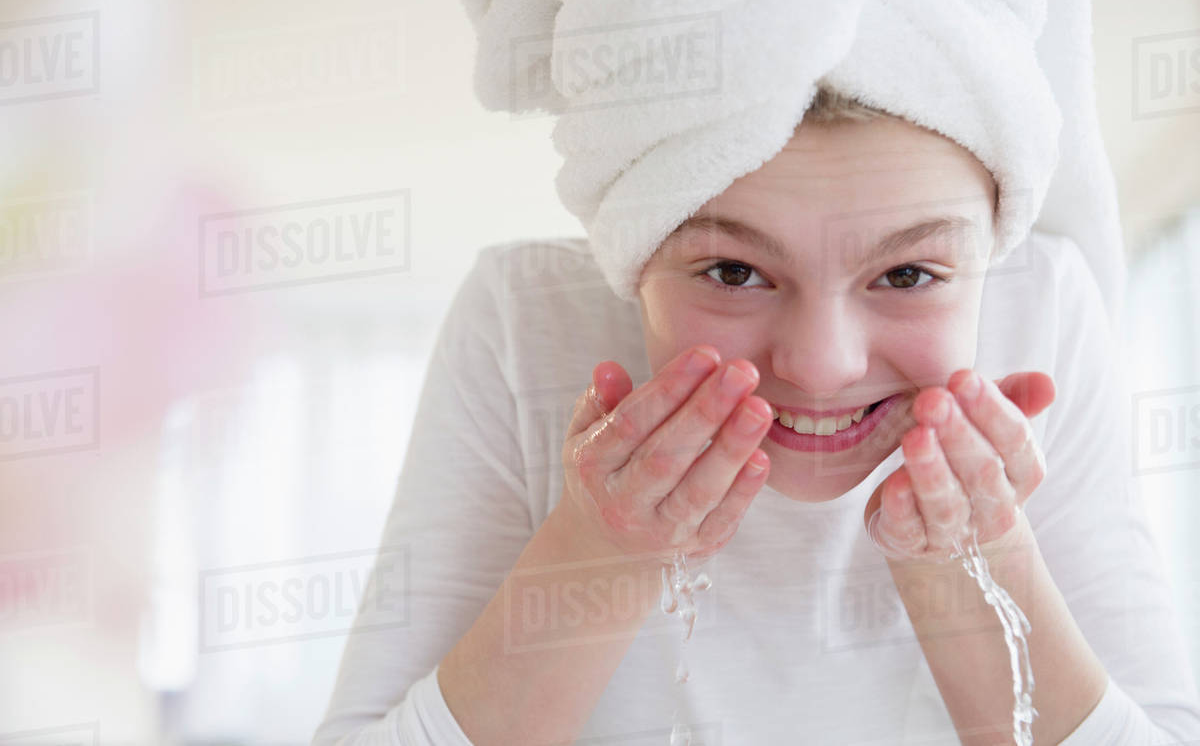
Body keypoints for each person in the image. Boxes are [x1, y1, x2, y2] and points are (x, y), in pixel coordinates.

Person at [311, 87, 1200, 745]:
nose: (820, 365)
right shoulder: (524, 315)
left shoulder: (1041, 312)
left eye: (906, 274)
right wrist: (604, 549)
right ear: (629, 252)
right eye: (733, 271)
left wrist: (970, 560)